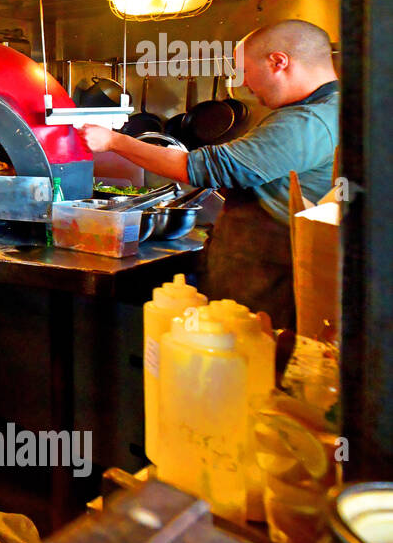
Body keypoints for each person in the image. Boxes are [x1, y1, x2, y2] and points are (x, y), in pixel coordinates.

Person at [80, 19, 339, 328]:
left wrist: (112, 141)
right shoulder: (332, 109)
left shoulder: (309, 120)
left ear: (278, 62)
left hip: (268, 282)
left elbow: (210, 168)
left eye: (244, 71)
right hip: (263, 272)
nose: (243, 83)